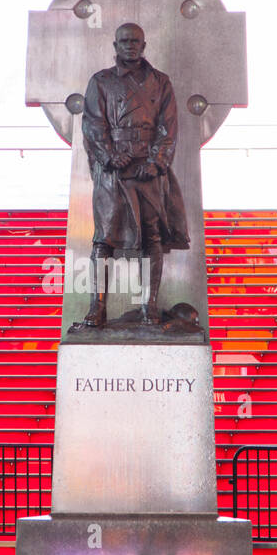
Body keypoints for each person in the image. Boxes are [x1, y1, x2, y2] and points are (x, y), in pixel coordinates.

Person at [73, 22, 190, 329]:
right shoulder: (100, 81)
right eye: (124, 41)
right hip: (113, 171)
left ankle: (148, 305)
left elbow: (168, 126)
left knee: (152, 237)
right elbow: (93, 123)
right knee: (103, 239)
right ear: (115, 46)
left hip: (147, 170)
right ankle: (96, 307)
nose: (130, 45)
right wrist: (110, 155)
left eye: (135, 41)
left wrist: (157, 161)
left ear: (144, 45)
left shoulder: (160, 82)